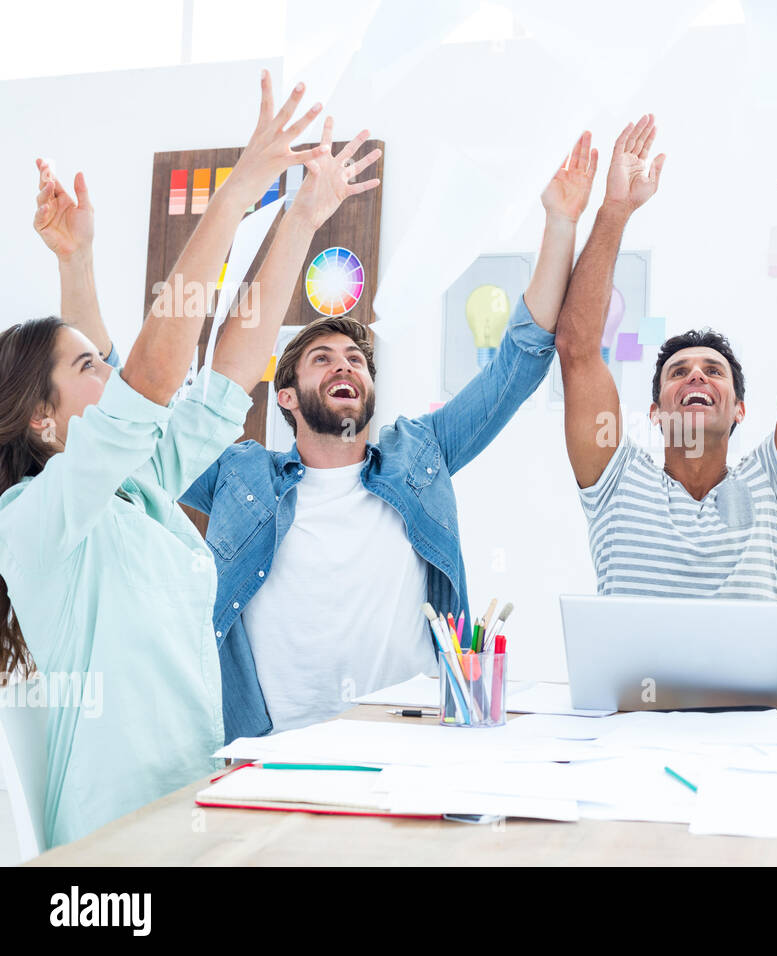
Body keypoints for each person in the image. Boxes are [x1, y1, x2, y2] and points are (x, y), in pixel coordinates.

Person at [2, 72, 374, 846]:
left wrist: (303, 217)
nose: (109, 365)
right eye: (88, 369)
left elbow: (228, 371)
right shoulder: (30, 521)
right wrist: (238, 193)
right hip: (114, 847)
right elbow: (152, 375)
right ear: (41, 420)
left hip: (194, 812)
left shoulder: (140, 490)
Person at [168, 131, 596, 740]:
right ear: (284, 397)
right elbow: (147, 427)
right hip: (270, 748)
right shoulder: (238, 474)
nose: (344, 364)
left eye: (355, 358)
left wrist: (559, 222)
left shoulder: (422, 450)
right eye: (322, 358)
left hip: (413, 741)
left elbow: (520, 360)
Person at [556, 116, 777, 600]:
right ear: (655, 413)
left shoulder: (772, 487)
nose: (696, 373)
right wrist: (615, 210)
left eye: (713, 371)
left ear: (739, 409)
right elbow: (577, 351)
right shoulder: (617, 483)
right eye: (679, 372)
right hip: (636, 682)